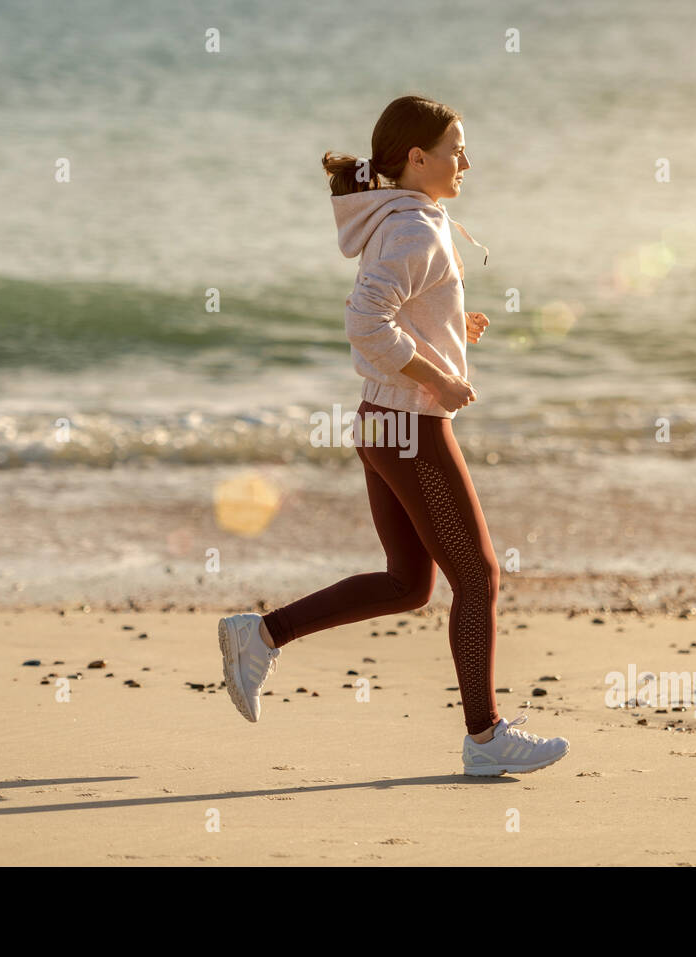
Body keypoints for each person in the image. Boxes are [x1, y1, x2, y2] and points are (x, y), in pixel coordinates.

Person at [218, 94, 569, 776]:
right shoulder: (414, 229)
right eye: (455, 148)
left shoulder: (408, 220)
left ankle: (259, 634)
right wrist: (439, 374)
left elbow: (394, 310)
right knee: (480, 576)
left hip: (383, 424)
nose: (466, 160)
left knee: (410, 584)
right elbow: (366, 324)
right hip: (409, 424)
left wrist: (447, 327)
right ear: (417, 157)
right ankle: (485, 735)